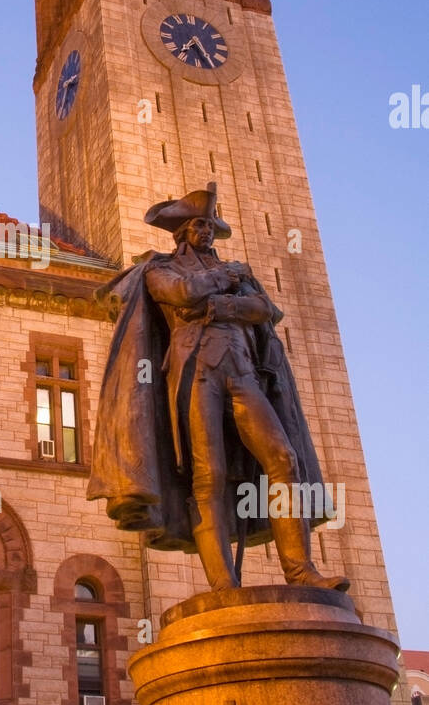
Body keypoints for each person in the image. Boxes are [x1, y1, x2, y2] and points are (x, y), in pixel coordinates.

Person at [87, 183, 348, 592]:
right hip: (195, 375)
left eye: (209, 224)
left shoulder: (239, 277)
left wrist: (217, 306)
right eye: (197, 224)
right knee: (209, 476)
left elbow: (263, 309)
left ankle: (300, 571)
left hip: (244, 374)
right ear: (181, 233)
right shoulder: (160, 268)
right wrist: (227, 279)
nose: (205, 231)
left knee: (283, 458)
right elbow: (182, 292)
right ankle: (224, 587)